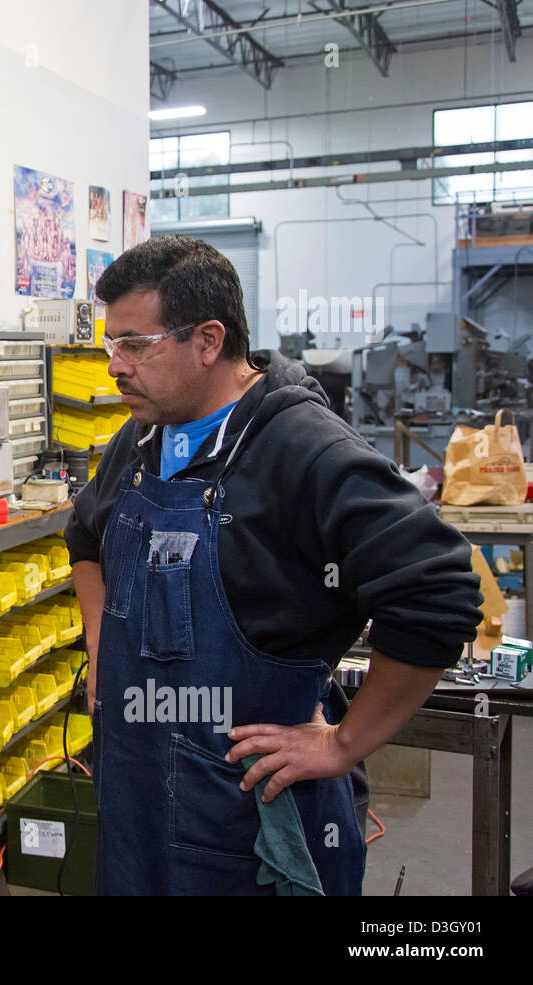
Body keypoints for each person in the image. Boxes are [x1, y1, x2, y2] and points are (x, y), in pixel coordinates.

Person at [65, 236, 482, 897]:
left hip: (245, 822)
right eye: (110, 344)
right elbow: (84, 534)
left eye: (135, 345)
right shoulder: (141, 440)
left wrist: (343, 744)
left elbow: (438, 591)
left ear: (208, 340)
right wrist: (100, 642)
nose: (115, 365)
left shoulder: (301, 447)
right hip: (136, 807)